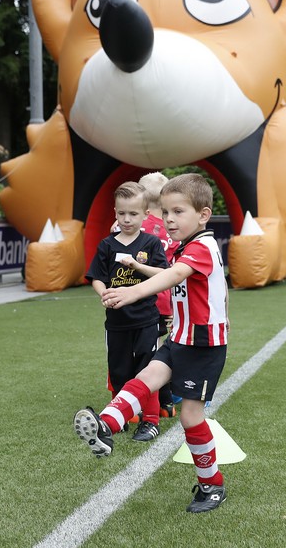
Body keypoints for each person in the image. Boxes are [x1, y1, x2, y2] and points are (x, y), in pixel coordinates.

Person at [74, 173, 229, 513]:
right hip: (181, 338)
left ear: (202, 215)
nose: (168, 219)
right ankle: (105, 425)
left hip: (204, 346)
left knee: (190, 417)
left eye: (177, 212)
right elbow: (177, 278)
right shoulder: (185, 246)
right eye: (165, 212)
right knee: (145, 379)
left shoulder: (203, 246)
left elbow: (172, 276)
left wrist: (130, 291)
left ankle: (212, 486)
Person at [85, 181, 168, 442]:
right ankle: (118, 418)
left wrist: (137, 266)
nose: (126, 219)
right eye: (121, 213)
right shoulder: (107, 245)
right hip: (117, 322)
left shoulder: (152, 243)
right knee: (119, 369)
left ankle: (151, 420)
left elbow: (165, 274)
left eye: (133, 214)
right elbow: (96, 277)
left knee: (147, 369)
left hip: (147, 320)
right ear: (115, 212)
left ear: (146, 215)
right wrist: (104, 293)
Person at [137, 172, 181, 419]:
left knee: (146, 354)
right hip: (167, 304)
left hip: (141, 303)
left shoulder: (134, 228)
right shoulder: (171, 230)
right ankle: (167, 402)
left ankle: (156, 401)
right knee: (159, 351)